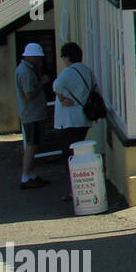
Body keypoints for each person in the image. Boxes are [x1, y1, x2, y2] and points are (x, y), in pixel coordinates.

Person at [53, 42, 96, 199]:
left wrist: (61, 98)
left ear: (67, 57)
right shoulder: (87, 70)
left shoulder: (68, 72)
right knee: (81, 155)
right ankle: (82, 187)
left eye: (63, 57)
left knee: (70, 158)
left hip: (68, 121)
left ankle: (75, 190)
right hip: (83, 118)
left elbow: (56, 86)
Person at [16, 42, 52, 189]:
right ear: (31, 56)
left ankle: (29, 174)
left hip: (33, 113)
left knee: (33, 144)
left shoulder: (27, 69)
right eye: (37, 57)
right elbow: (29, 94)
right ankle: (25, 176)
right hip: (31, 114)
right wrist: (42, 82)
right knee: (31, 145)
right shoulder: (25, 71)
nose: (39, 60)